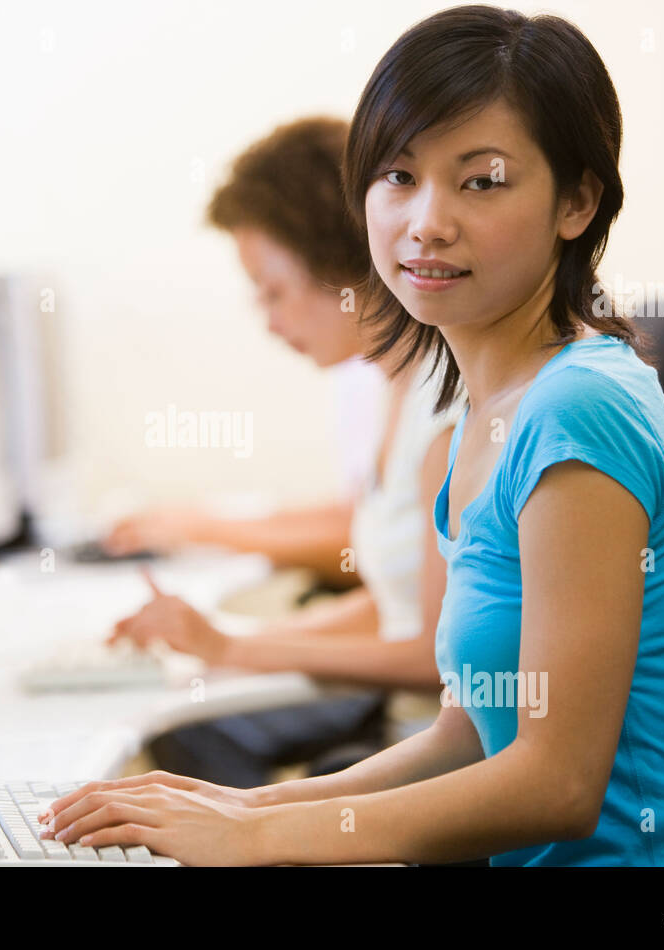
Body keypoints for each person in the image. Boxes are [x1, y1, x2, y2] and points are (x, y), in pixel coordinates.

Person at [38, 5, 664, 866]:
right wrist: (243, 807)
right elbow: (466, 736)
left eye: (482, 180)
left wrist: (261, 833)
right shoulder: (486, 412)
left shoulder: (576, 410)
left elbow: (557, 786)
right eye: (397, 175)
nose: (426, 221)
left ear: (577, 200)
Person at [103, 118, 460, 788]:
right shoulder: (398, 389)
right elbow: (398, 600)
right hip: (405, 738)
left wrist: (234, 646)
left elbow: (442, 654)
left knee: (188, 759)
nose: (269, 322)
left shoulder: (444, 408)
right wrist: (228, 644)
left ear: (339, 264)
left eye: (274, 291)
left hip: (428, 764)